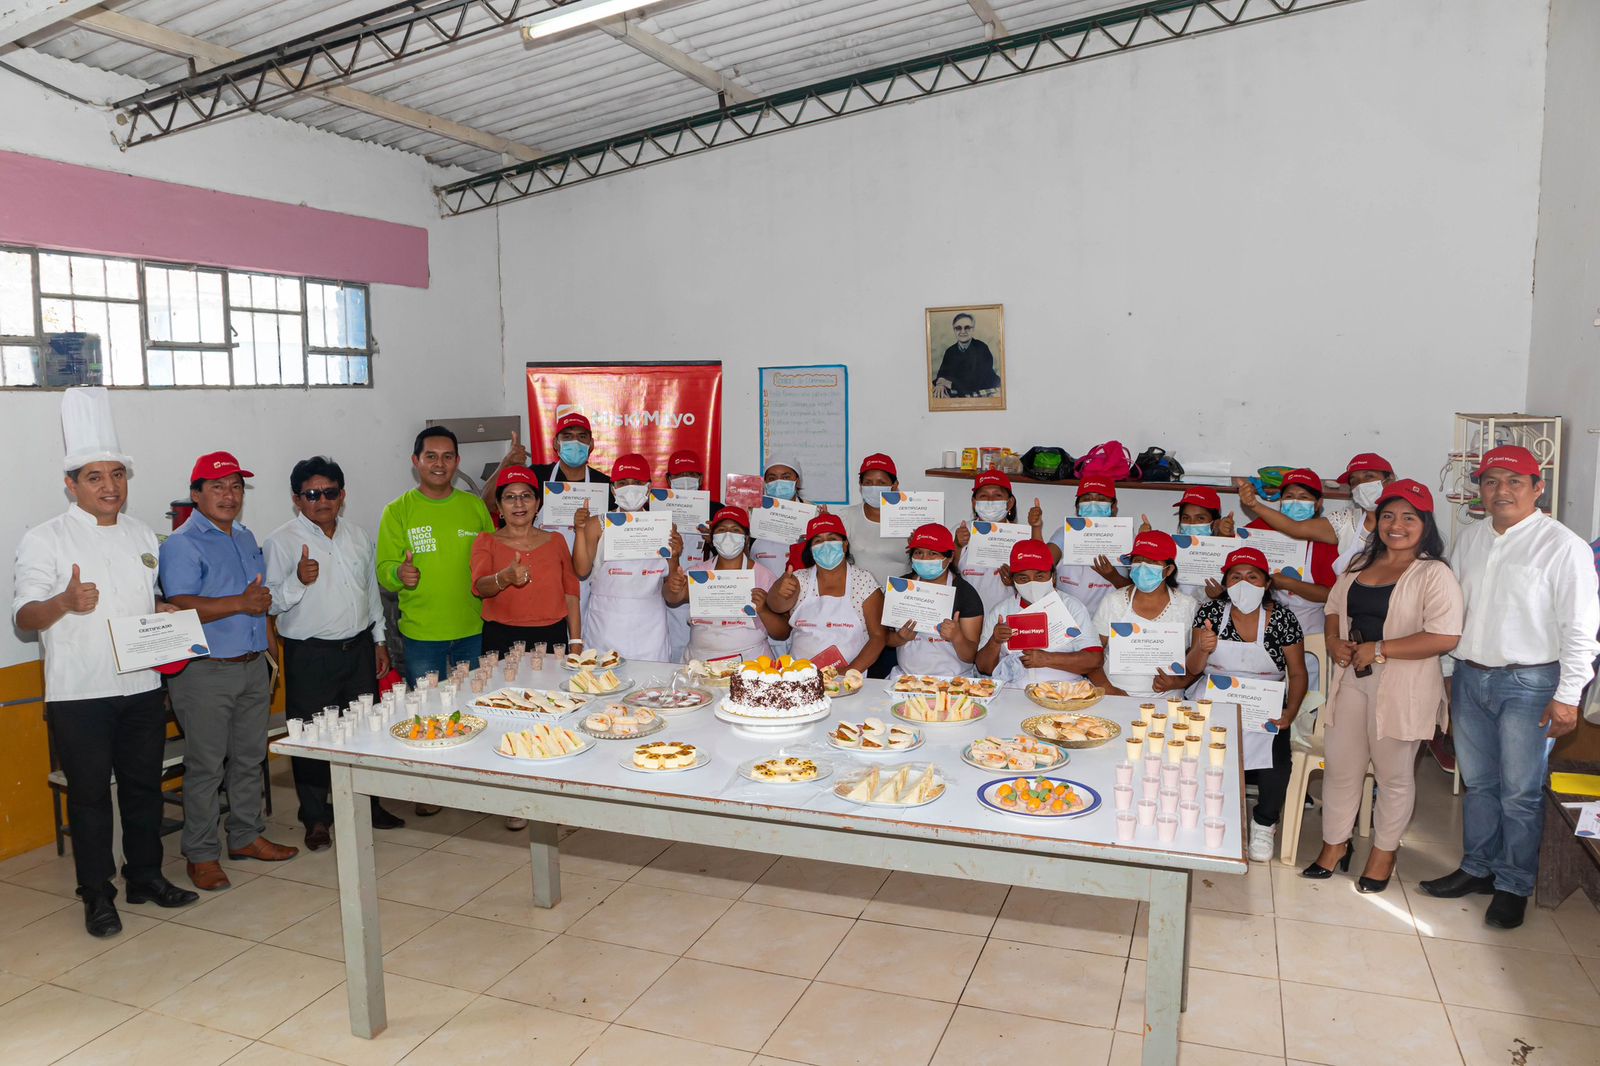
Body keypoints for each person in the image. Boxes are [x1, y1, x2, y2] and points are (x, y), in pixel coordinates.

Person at [12, 388, 199, 935]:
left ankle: (145, 877)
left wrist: (161, 611)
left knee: (144, 788)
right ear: (71, 485)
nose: (109, 486)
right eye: (95, 477)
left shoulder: (144, 534)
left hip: (141, 687)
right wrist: (65, 603)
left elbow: (141, 602)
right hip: (79, 693)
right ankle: (97, 894)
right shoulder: (44, 539)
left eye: (116, 474)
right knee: (91, 798)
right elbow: (25, 617)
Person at [1421, 446, 1600, 929]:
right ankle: (1478, 868)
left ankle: (1514, 884)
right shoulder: (1471, 538)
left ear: (1538, 489)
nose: (1501, 491)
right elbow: (1451, 613)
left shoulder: (1564, 546)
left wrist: (1568, 696)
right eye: (1491, 481)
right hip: (1470, 676)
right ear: (1480, 490)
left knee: (1520, 792)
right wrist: (1443, 669)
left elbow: (1582, 628)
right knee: (1480, 784)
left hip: (1532, 683)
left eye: (1514, 481)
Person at [1311, 481, 1463, 891]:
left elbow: (1445, 637)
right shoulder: (1361, 563)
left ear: (1425, 525)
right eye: (1389, 516)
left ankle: (1383, 853)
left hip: (1403, 686)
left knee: (1394, 776)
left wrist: (1378, 649)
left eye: (1409, 517)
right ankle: (1334, 846)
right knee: (1342, 768)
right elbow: (1332, 608)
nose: (1396, 525)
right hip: (1352, 680)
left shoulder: (1434, 574)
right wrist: (1332, 641)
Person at [161, 451, 298, 890]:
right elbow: (179, 605)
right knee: (205, 766)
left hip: (253, 665)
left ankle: (245, 835)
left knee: (249, 759)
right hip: (205, 672)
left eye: (236, 486)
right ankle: (200, 854)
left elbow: (261, 601)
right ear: (196, 494)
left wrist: (271, 660)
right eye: (217, 487)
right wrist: (240, 603)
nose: (229, 495)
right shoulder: (181, 544)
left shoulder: (244, 536)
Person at [264, 456, 404, 851]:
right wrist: (297, 580)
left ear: (342, 496)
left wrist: (379, 641)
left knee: (365, 731)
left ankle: (370, 804)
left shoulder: (358, 536)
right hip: (310, 655)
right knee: (310, 736)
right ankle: (315, 817)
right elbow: (271, 603)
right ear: (297, 499)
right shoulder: (281, 541)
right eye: (311, 494)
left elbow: (370, 595)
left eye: (330, 492)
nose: (321, 500)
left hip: (358, 649)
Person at [1186, 547, 1308, 862]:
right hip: (1216, 696)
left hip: (1263, 701)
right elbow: (1192, 669)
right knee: (1196, 753)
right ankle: (1205, 812)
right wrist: (1202, 648)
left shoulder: (1282, 617)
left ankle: (1264, 822)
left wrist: (1290, 712)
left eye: (1252, 577)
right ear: (1225, 582)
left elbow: (1297, 672)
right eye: (1236, 577)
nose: (1244, 583)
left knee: (1276, 762)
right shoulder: (1210, 611)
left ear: (1267, 583)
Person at [377, 426, 495, 684]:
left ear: (457, 462)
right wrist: (399, 572)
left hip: (473, 630)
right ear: (415, 461)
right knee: (427, 712)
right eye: (431, 456)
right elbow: (384, 569)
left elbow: (493, 557)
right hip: (422, 636)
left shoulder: (474, 506)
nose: (439, 464)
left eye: (448, 456)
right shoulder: (397, 511)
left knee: (474, 704)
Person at [472, 466, 582, 655]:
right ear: (499, 506)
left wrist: (576, 641)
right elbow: (480, 587)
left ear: (537, 503)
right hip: (501, 637)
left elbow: (571, 592)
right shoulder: (487, 541)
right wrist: (505, 578)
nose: (519, 503)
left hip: (552, 637)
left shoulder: (556, 540)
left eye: (526, 496)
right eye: (510, 497)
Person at [573, 454, 672, 661]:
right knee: (602, 684)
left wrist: (677, 553)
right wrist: (580, 531)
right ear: (613, 488)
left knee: (651, 686)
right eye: (623, 483)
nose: (630, 488)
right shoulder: (596, 524)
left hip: (650, 625)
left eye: (636, 483)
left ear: (648, 487)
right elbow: (581, 571)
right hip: (606, 623)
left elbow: (671, 578)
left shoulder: (665, 526)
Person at [1238, 453, 1396, 577]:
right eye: (1354, 481)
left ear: (1389, 480)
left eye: (1369, 477)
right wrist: (1254, 505)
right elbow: (1296, 528)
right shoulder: (1345, 521)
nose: (1360, 485)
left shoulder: (1406, 523)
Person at [764, 513, 887, 672]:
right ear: (811, 549)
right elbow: (776, 606)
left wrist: (848, 672)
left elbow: (878, 637)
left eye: (832, 539)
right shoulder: (800, 579)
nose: (825, 545)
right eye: (818, 541)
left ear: (844, 545)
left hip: (850, 680)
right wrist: (779, 590)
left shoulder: (864, 581)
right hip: (799, 676)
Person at [664, 505, 784, 662]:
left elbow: (781, 632)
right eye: (721, 531)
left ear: (746, 538)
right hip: (701, 662)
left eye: (735, 530)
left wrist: (764, 610)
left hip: (750, 662)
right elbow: (673, 598)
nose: (728, 535)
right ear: (712, 539)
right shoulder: (699, 573)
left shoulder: (764, 576)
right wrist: (673, 584)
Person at [976, 539, 1102, 685]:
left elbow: (1094, 659)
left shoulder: (1072, 607)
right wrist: (995, 641)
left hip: (1065, 693)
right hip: (1015, 694)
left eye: (1040, 576)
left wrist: (1047, 659)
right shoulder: (1001, 611)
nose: (1032, 583)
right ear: (1013, 580)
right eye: (1023, 578)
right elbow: (983, 668)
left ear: (1053, 576)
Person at [1089, 530, 1198, 699]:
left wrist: (1179, 683)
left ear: (1168, 570)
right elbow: (1091, 654)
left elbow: (1200, 659)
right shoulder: (1113, 601)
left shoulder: (1187, 606)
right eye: (1138, 560)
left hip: (1167, 699)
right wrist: (1108, 689)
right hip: (1115, 695)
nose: (1142, 566)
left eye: (1152, 561)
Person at [839, 453, 919, 677]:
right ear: (860, 485)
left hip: (899, 608)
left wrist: (918, 543)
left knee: (891, 670)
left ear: (895, 486)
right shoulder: (847, 517)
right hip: (858, 609)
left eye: (881, 482)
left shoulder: (911, 518)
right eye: (868, 482)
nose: (874, 487)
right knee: (862, 672)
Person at [1239, 468, 1340, 638]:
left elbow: (1331, 595)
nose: (1295, 502)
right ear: (1280, 501)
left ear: (1318, 503)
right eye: (1289, 496)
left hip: (1309, 629)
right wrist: (1223, 533)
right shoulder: (1261, 529)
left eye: (1304, 497)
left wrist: (1288, 584)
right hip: (1261, 624)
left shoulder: (1327, 539)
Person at [883, 523, 985, 677]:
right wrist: (899, 638)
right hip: (907, 678)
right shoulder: (900, 587)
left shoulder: (966, 594)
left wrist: (957, 637)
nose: (924, 559)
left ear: (949, 557)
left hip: (953, 681)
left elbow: (970, 656)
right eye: (918, 552)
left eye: (933, 553)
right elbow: (883, 638)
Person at [661, 448, 722, 662]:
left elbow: (737, 553)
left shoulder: (717, 512)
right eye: (678, 476)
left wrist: (715, 541)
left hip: (709, 595)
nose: (685, 481)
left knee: (706, 657)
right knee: (673, 657)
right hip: (669, 597)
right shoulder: (655, 512)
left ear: (701, 478)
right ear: (669, 480)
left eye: (691, 475)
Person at [954, 470, 1043, 615]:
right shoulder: (961, 531)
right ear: (974, 502)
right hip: (967, 616)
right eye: (983, 495)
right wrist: (958, 545)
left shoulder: (1020, 536)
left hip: (1009, 615)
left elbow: (1040, 575)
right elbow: (949, 572)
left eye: (997, 495)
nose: (990, 500)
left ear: (1010, 503)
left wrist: (1014, 582)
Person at [1047, 477, 1128, 615]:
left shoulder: (1125, 538)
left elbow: (1136, 592)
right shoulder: (1063, 534)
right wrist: (1036, 528)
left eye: (1101, 499)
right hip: (1067, 618)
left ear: (1114, 507)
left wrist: (1113, 576)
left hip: (1107, 621)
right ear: (1078, 507)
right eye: (1087, 499)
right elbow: (1042, 566)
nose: (1093, 504)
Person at [530, 411, 613, 545]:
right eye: (567, 436)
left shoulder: (605, 484)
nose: (575, 442)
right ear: (556, 443)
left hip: (589, 563)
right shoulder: (537, 475)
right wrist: (506, 464)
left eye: (582, 436)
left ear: (591, 444)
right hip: (546, 561)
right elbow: (494, 504)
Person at [750, 457, 807, 576]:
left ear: (797, 480)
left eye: (786, 477)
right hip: (761, 587)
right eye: (772, 478)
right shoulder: (752, 513)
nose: (778, 482)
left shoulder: (813, 513)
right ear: (765, 483)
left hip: (802, 588)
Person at [931, 312, 1000, 398]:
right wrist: (940, 383)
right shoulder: (950, 351)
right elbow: (943, 373)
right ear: (954, 330)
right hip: (960, 388)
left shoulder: (982, 348)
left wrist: (950, 384)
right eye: (958, 328)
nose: (963, 331)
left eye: (967, 327)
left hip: (986, 387)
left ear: (973, 329)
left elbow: (976, 382)